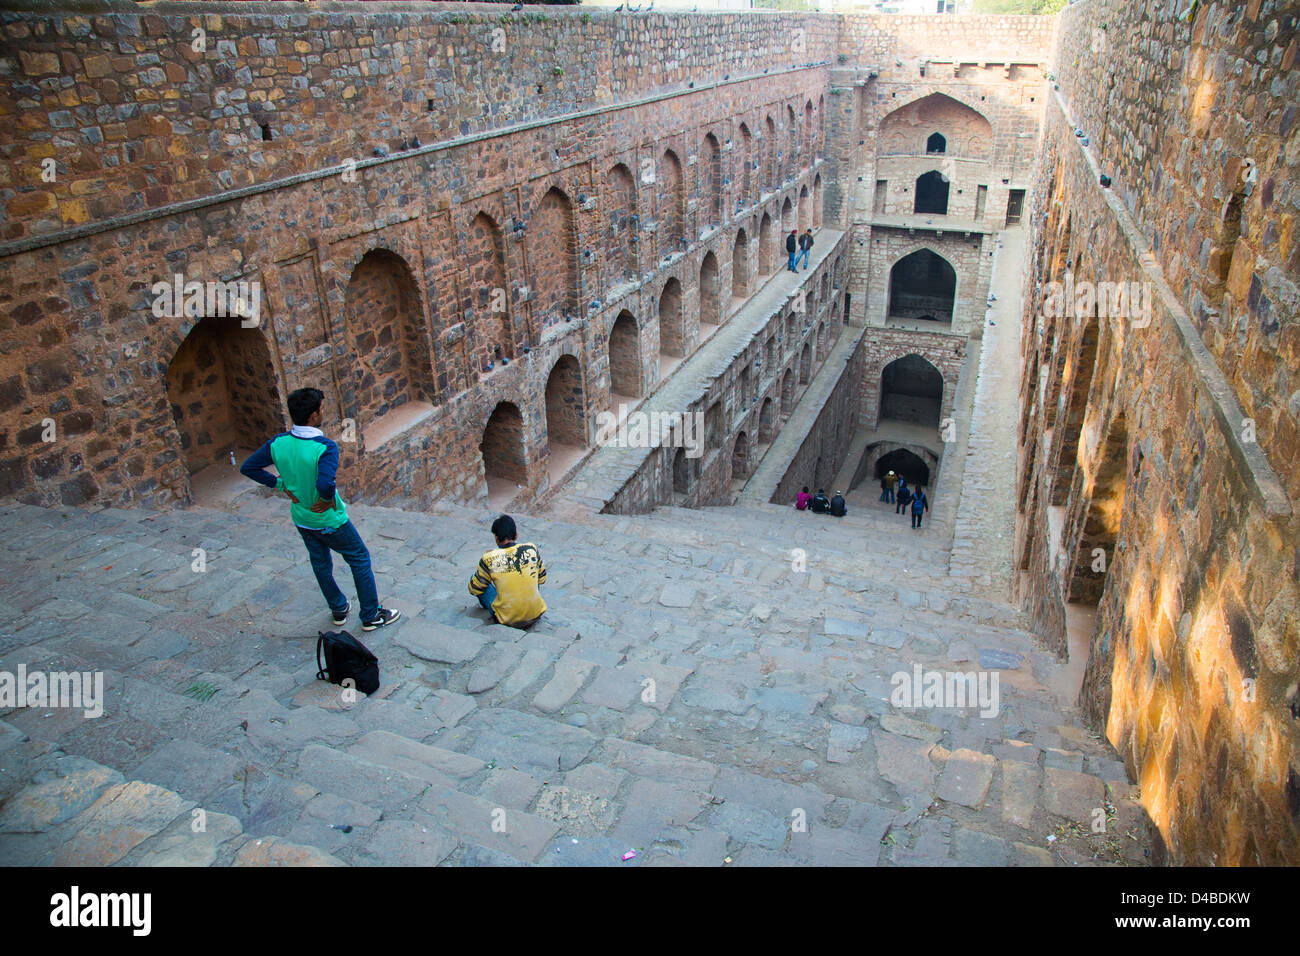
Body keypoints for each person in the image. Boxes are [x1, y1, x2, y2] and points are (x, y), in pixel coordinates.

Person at [240, 387, 401, 632]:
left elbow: (248, 467)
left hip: (302, 518)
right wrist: (326, 499)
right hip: (329, 519)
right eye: (321, 409)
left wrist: (280, 484)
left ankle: (338, 608)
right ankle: (370, 615)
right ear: (314, 415)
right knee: (359, 557)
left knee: (320, 563)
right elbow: (325, 483)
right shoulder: (324, 447)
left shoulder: (278, 443)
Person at [468, 514, 547, 629]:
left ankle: (507, 609)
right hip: (535, 614)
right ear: (516, 535)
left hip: (507, 619)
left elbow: (474, 589)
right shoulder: (531, 549)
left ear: (496, 537)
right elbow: (542, 579)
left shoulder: (489, 558)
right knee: (531, 574)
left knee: (477, 581)